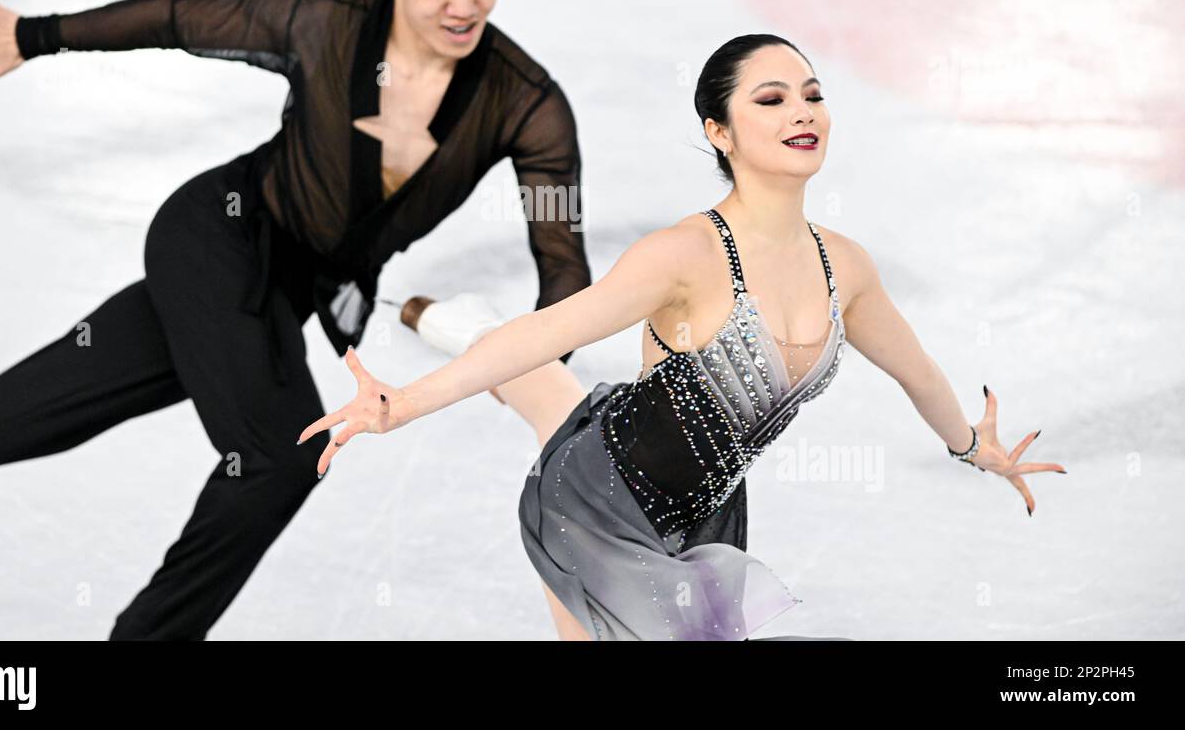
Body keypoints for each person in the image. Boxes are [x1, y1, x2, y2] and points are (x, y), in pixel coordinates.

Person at [0, 0, 604, 640]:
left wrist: (546, 383)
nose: (465, 6)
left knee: (29, 412)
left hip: (284, 292)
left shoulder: (527, 104)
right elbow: (177, 17)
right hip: (215, 238)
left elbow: (564, 271)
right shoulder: (322, 20)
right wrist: (33, 35)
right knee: (283, 453)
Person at [300, 35, 1067, 641]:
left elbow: (918, 373)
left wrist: (973, 446)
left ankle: (453, 315)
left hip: (707, 515)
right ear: (719, 131)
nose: (803, 111)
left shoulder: (847, 268)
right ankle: (457, 325)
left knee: (555, 402)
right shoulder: (685, 254)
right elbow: (545, 332)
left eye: (813, 95)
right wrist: (398, 407)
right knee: (546, 393)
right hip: (594, 506)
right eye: (772, 99)